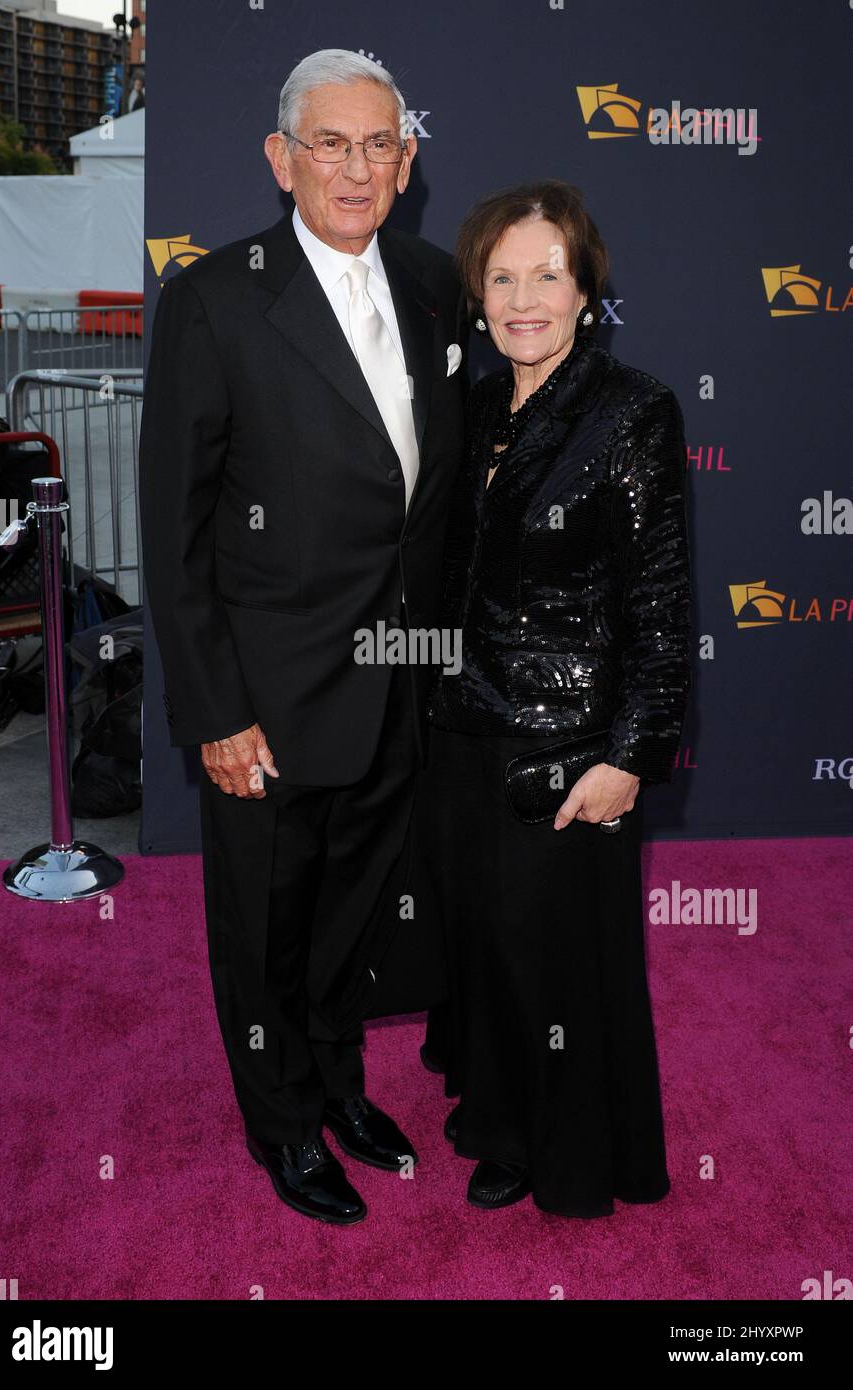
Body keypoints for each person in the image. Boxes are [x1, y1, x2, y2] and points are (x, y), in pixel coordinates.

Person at [138, 49, 468, 1225]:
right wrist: (217, 708)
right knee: (266, 927)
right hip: (267, 703)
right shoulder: (219, 297)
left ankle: (337, 1086)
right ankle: (282, 1125)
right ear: (282, 159)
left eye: (379, 142)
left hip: (397, 688)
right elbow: (173, 531)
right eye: (330, 142)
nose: (356, 166)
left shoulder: (436, 284)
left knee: (352, 918)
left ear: (409, 161)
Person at [418, 180, 691, 1216]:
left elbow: (660, 603)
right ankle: (500, 1119)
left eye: (546, 275)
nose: (522, 298)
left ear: (586, 292)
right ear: (477, 292)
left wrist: (630, 754)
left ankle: (564, 1151)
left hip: (570, 748)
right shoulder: (478, 404)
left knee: (561, 969)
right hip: (464, 735)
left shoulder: (632, 410)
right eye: (501, 276)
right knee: (484, 947)